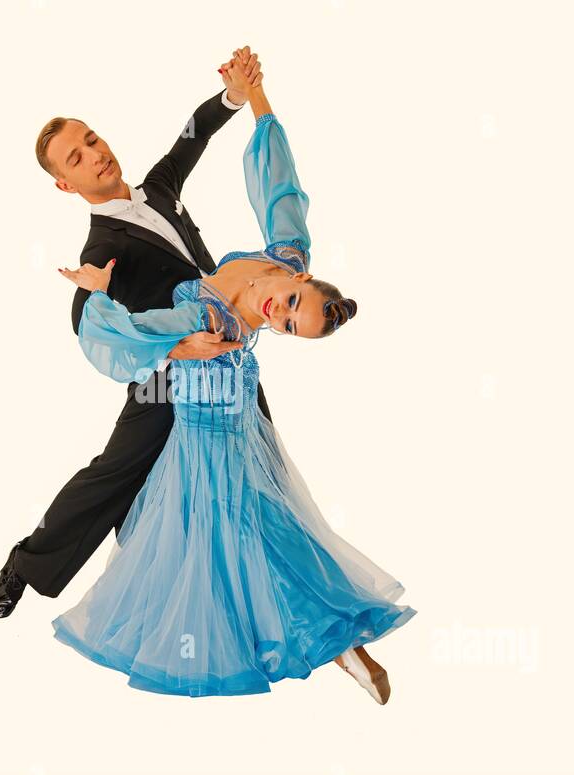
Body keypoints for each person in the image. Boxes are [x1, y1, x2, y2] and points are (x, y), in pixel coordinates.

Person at [52, 72, 417, 703]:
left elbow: (135, 332)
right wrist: (255, 100)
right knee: (198, 534)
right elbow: (280, 189)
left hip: (213, 424)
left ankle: (320, 645)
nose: (279, 315)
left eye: (288, 329)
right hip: (200, 412)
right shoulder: (285, 253)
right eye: (291, 305)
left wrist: (130, 313)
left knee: (234, 536)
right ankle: (323, 646)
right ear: (306, 279)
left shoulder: (214, 316)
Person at [0, 48, 271, 619]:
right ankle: (29, 561)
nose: (95, 154)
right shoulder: (102, 249)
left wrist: (234, 96)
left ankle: (256, 592)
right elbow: (86, 323)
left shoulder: (160, 189)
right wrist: (169, 343)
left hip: (225, 361)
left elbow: (190, 138)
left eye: (92, 139)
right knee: (118, 471)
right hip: (166, 379)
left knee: (259, 454)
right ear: (65, 185)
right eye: (76, 156)